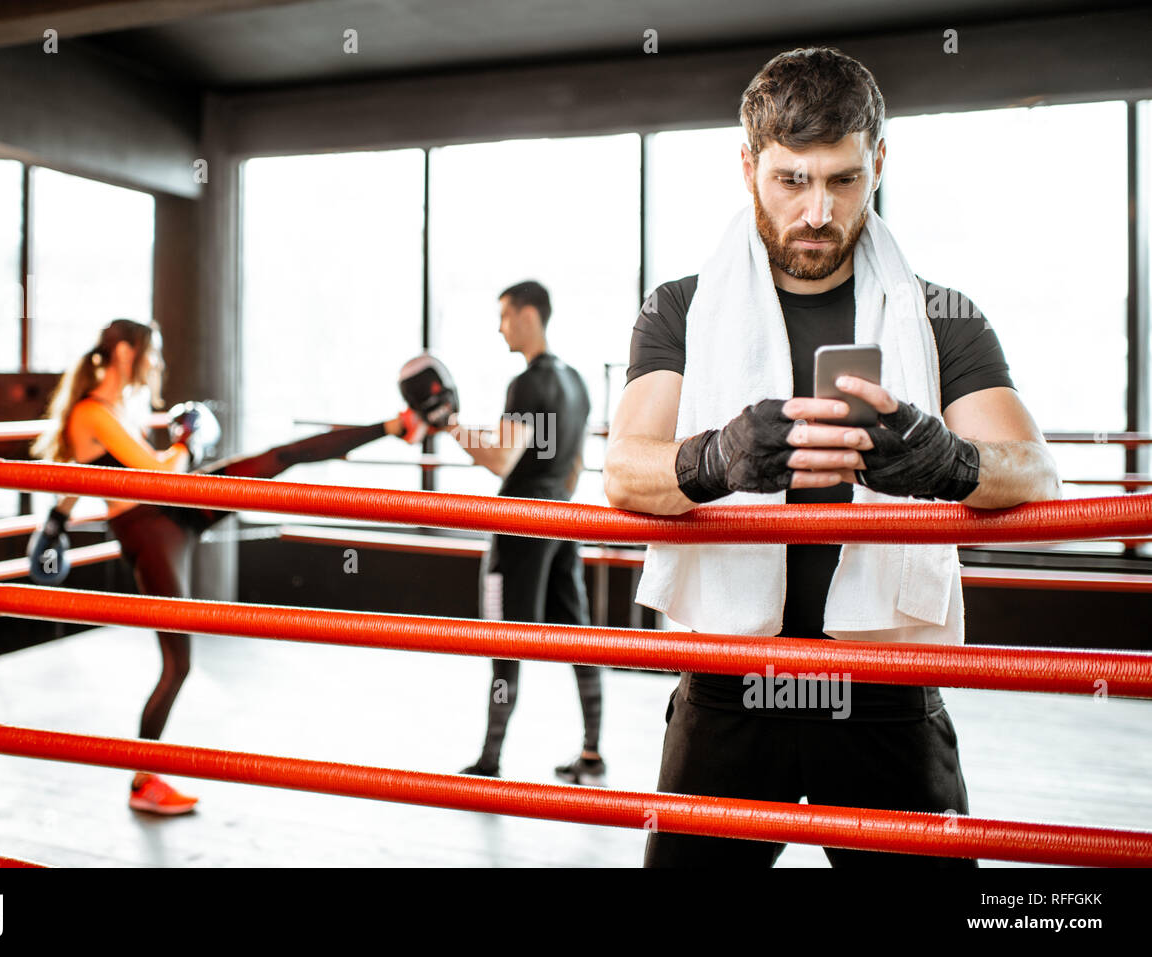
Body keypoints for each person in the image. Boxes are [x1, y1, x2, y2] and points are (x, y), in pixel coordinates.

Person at [604, 48, 1061, 866]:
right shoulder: (681, 307)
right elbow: (623, 471)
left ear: (878, 162)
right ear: (748, 167)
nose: (817, 211)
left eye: (844, 180)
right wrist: (716, 457)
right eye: (791, 181)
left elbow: (1035, 469)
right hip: (731, 680)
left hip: (884, 684)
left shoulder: (937, 315)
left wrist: (945, 461)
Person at [31, 318, 422, 814]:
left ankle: (396, 425)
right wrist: (188, 442)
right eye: (153, 353)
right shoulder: (90, 411)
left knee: (279, 457)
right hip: (151, 532)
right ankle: (142, 781)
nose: (158, 364)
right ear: (127, 352)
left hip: (171, 511)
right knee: (178, 664)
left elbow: (89, 473)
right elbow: (152, 473)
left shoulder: (114, 408)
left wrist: (57, 523)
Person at [445, 281, 606, 785]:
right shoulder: (578, 382)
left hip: (519, 526)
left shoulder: (526, 384)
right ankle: (592, 750)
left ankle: (491, 759)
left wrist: (449, 424)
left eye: (505, 315)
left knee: (504, 639)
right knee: (578, 635)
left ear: (529, 314)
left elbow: (500, 457)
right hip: (562, 518)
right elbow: (576, 462)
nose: (499, 327)